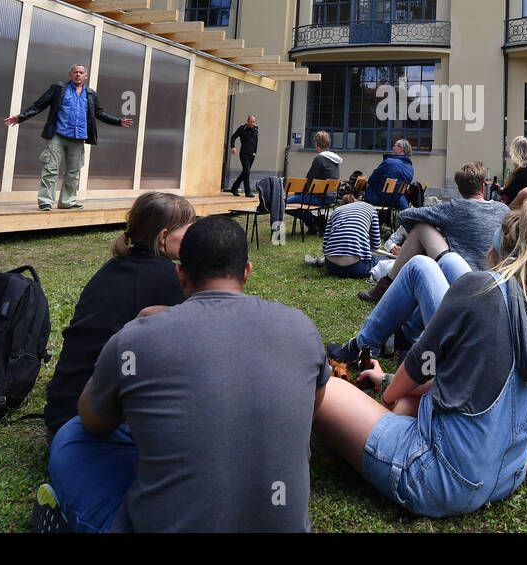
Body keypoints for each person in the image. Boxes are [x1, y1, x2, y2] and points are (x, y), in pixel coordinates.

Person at [42, 217, 329, 532]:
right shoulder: (302, 329)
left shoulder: (136, 339)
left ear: (181, 274)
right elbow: (307, 414)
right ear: (246, 271)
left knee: (71, 437)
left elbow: (93, 422)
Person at [312, 205, 527, 516]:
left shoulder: (478, 287)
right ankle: (357, 428)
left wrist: (387, 396)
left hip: (439, 479)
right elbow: (460, 378)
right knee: (405, 404)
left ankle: (335, 440)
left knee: (325, 390)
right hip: (505, 477)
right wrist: (388, 380)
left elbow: (420, 362)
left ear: (496, 243)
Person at [42, 192, 195, 441]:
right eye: (188, 231)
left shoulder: (111, 269)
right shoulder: (171, 278)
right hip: (96, 427)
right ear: (164, 236)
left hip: (62, 418)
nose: (193, 239)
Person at [354, 161, 509, 303]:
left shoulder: (453, 209)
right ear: (483, 187)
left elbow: (404, 215)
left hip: (462, 280)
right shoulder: (503, 210)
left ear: (459, 189)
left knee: (421, 227)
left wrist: (438, 229)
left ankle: (385, 286)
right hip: (497, 282)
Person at [5, 64, 133, 210]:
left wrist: (119, 121)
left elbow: (99, 113)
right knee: (50, 169)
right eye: (75, 72)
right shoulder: (59, 89)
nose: (78, 74)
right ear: (70, 75)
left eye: (81, 72)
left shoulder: (91, 94)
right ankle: (46, 201)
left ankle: (67, 202)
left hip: (78, 138)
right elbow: (38, 105)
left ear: (86, 76)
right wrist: (21, 117)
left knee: (73, 172)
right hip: (57, 136)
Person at [307, 193, 381, 279]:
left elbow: (325, 247)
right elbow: (376, 245)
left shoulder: (336, 211)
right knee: (384, 260)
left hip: (331, 266)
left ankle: (319, 261)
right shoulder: (370, 208)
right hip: (356, 267)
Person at [288, 131, 343, 233]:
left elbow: (308, 183)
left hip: (320, 197)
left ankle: (314, 221)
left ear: (317, 144)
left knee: (285, 204)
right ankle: (315, 222)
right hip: (331, 197)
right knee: (295, 201)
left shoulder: (320, 159)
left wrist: (294, 193)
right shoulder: (335, 160)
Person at [364, 139, 414, 209]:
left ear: (401, 149)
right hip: (399, 200)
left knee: (367, 186)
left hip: (382, 199)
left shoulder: (389, 162)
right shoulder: (409, 167)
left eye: (394, 146)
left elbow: (372, 179)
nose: (392, 148)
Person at [498, 136, 527, 206]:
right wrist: (502, 190)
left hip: (516, 207)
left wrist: (503, 191)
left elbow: (514, 192)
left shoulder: (524, 169)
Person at [228, 115, 258, 197]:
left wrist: (255, 152)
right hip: (244, 153)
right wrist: (233, 147)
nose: (252, 123)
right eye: (251, 121)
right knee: (247, 172)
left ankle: (234, 188)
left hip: (252, 154)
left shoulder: (256, 129)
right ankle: (247, 192)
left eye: (254, 122)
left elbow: (255, 142)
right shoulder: (242, 128)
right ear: (247, 121)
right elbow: (233, 137)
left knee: (245, 172)